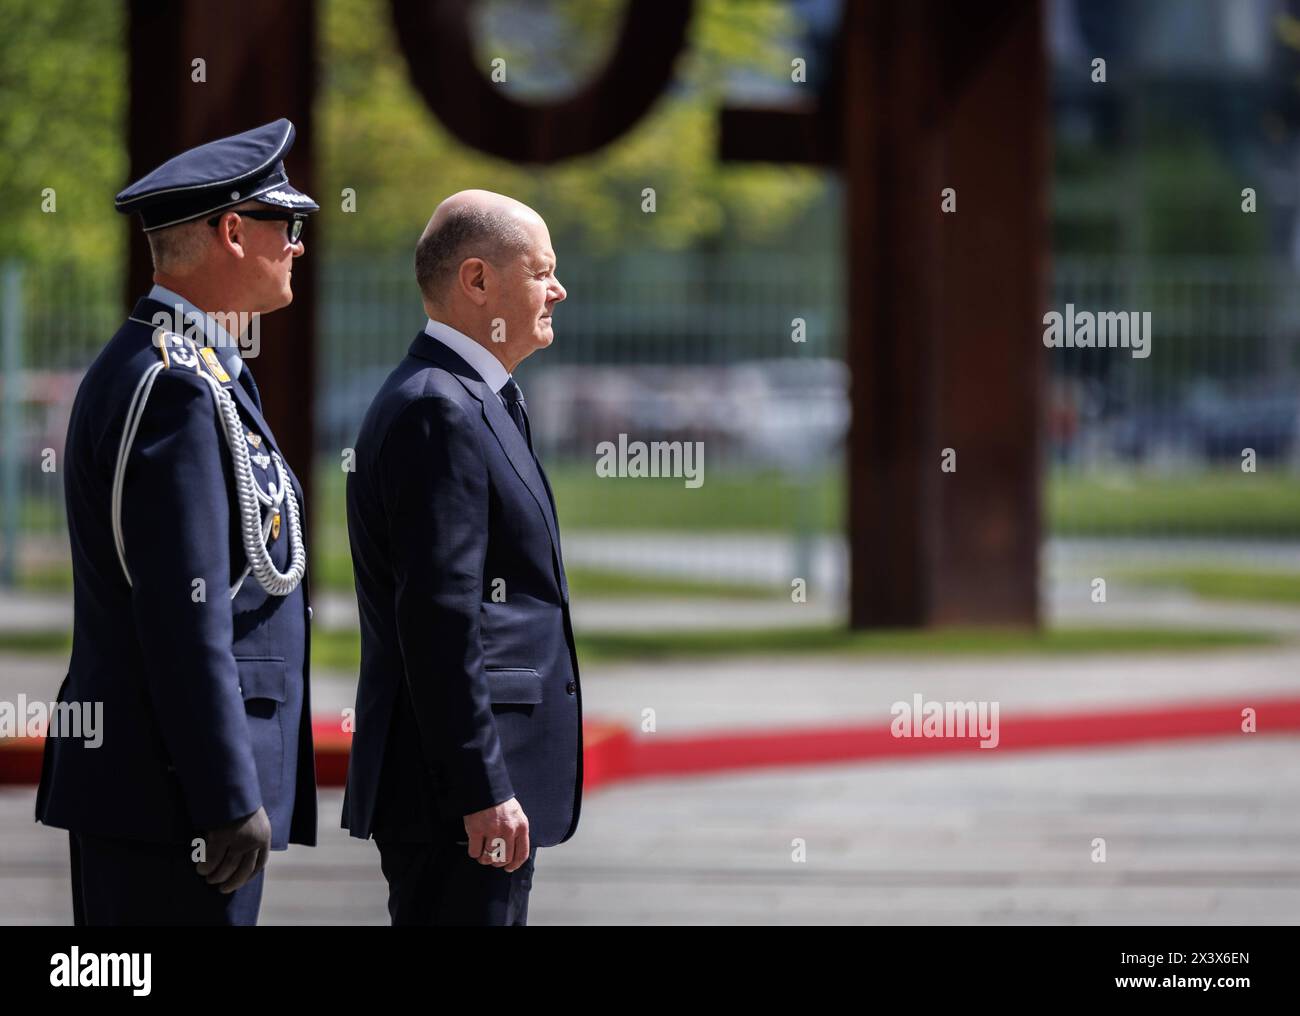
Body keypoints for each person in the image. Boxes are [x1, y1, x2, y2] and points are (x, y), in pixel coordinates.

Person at [35, 118, 320, 925]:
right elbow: (183, 614)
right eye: (285, 225)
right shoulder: (174, 385)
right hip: (176, 802)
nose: (297, 244)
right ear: (232, 231)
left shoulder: (188, 369)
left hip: (168, 794)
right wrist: (228, 794)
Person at [342, 189, 582, 925]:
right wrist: (482, 787)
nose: (558, 289)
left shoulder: (477, 397)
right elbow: (441, 619)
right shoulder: (436, 407)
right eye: (540, 271)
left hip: (476, 794)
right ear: (477, 281)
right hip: (460, 800)